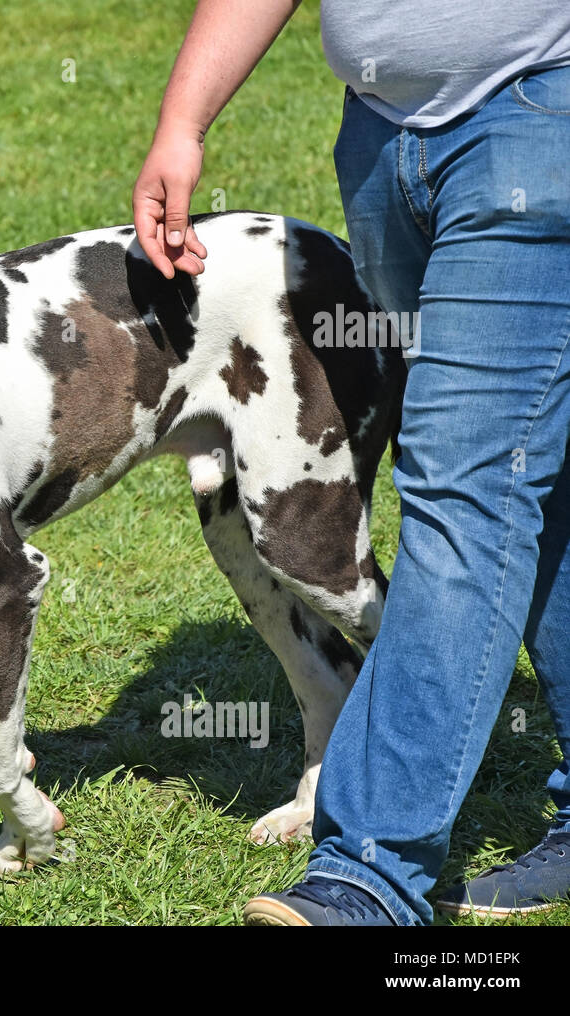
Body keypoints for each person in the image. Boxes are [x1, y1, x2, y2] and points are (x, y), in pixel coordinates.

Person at [134, 0, 570, 925]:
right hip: (382, 143)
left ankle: (374, 868)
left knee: (469, 491)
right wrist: (183, 120)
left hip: (535, 120)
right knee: (536, 476)